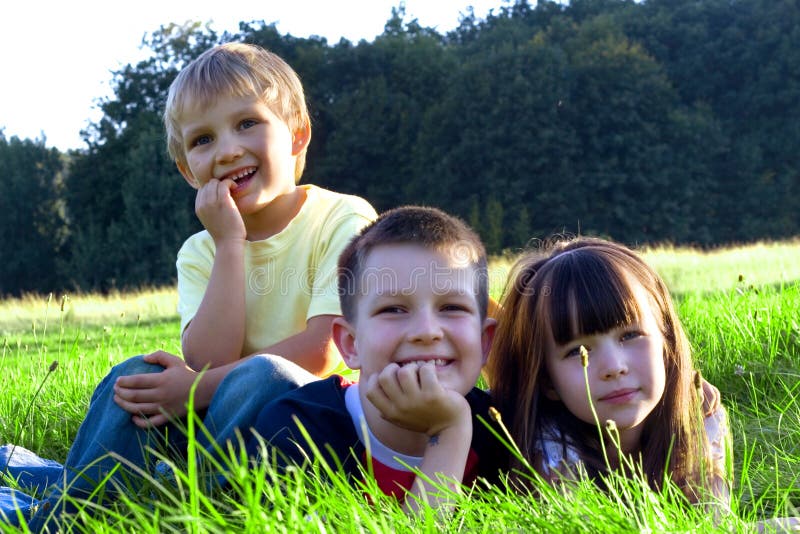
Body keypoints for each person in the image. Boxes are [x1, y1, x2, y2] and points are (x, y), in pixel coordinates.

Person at [1, 42, 375, 530]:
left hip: (306, 426)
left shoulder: (342, 218)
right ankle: (77, 508)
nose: (227, 150)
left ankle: (152, 494)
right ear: (187, 170)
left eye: (247, 123)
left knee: (268, 375)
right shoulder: (202, 250)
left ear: (297, 135)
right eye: (202, 140)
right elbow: (207, 362)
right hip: (215, 426)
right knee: (133, 376)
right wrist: (230, 245)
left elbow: (324, 353)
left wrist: (195, 388)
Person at [244, 206, 505, 513]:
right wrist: (449, 432)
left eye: (451, 308)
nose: (426, 332)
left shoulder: (504, 432)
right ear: (350, 343)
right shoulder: (297, 430)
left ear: (484, 340)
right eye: (393, 309)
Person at [485, 237, 732, 504]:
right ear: (548, 382)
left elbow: (716, 524)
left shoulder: (697, 415)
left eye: (630, 336)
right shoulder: (548, 444)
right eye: (577, 350)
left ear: (666, 340)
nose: (614, 367)